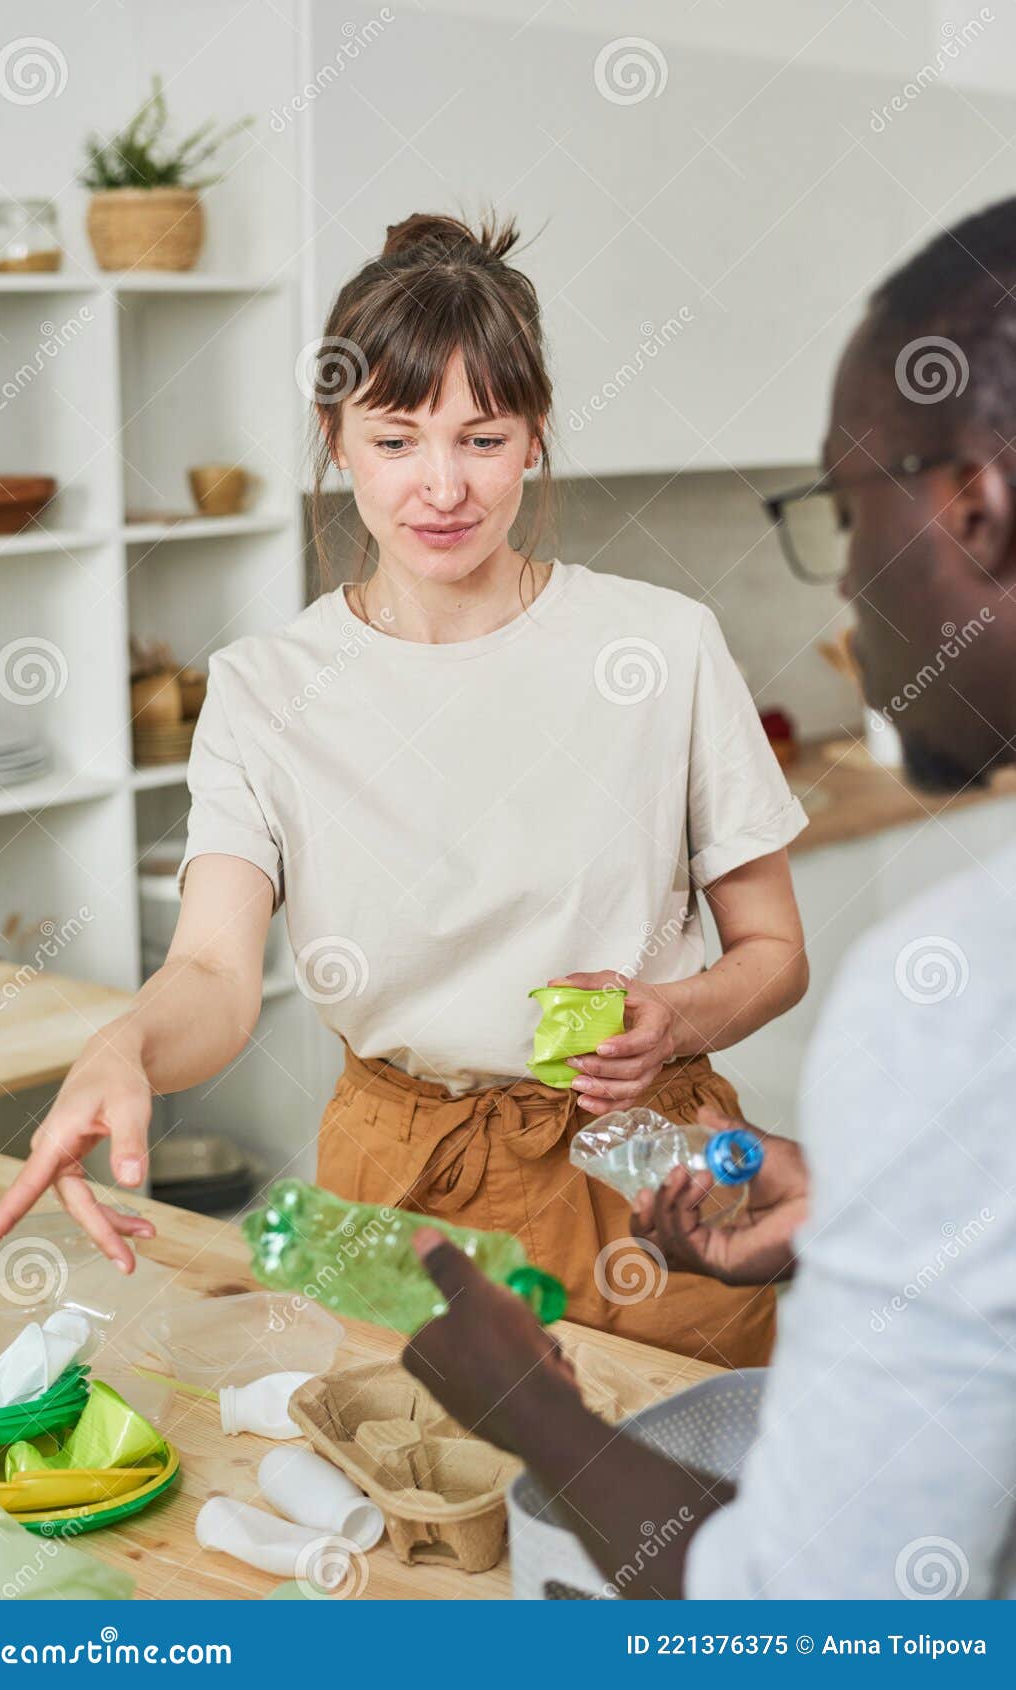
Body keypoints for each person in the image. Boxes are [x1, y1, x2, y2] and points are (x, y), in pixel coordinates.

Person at [0, 211, 808, 1368]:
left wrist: (680, 1018)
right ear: (337, 437)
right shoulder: (265, 690)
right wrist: (122, 1050)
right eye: (397, 437)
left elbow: (772, 948)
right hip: (399, 1188)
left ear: (535, 438)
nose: (442, 486)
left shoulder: (663, 648)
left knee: (679, 1516)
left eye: (482, 436)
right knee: (414, 1518)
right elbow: (214, 970)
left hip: (647, 1172)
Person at [401, 194, 1016, 1599]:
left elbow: (815, 1621)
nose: (849, 574)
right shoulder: (290, 679)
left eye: (845, 507)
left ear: (976, 508)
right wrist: (885, 1215)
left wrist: (530, 1413)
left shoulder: (964, 995)